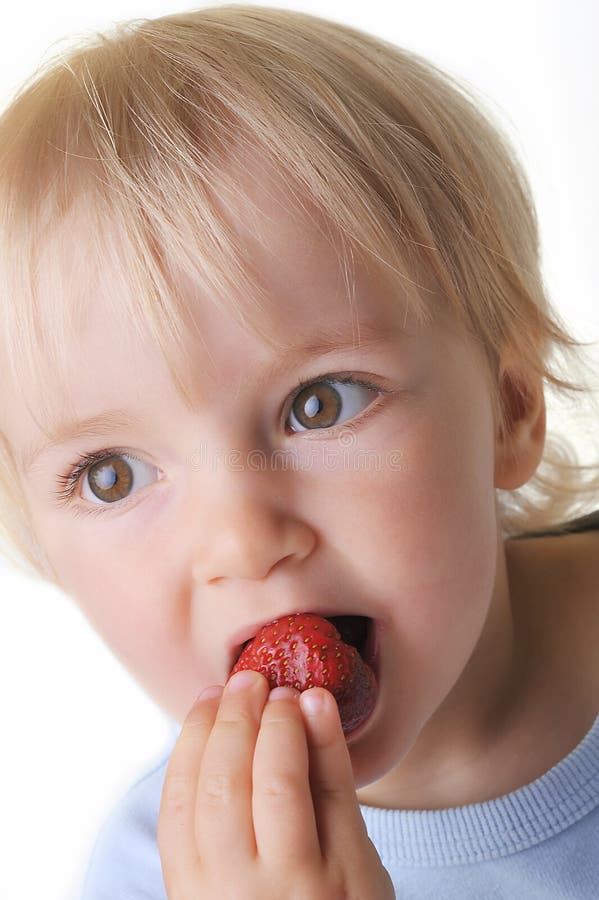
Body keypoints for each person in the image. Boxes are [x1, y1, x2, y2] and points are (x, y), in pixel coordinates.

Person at [0, 5, 597, 898]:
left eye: (319, 405)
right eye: (111, 474)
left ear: (510, 407)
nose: (242, 540)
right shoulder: (152, 876)